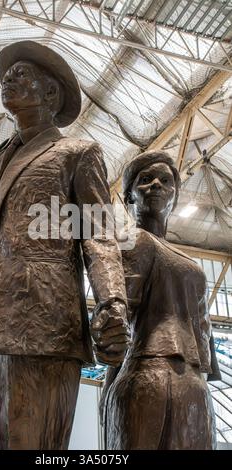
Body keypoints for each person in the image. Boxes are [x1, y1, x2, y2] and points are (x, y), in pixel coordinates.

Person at [0, 40, 130, 450]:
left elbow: (98, 232)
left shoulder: (76, 153)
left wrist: (111, 302)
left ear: (51, 93)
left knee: (30, 442)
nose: (8, 78)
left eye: (22, 73)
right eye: (6, 74)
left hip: (41, 317)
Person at [101, 150, 220, 450]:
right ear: (129, 197)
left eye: (165, 180)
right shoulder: (134, 241)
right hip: (150, 372)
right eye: (145, 180)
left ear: (175, 196)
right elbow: (119, 313)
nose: (156, 185)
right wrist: (108, 384)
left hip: (192, 384)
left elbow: (204, 337)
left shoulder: (189, 263)